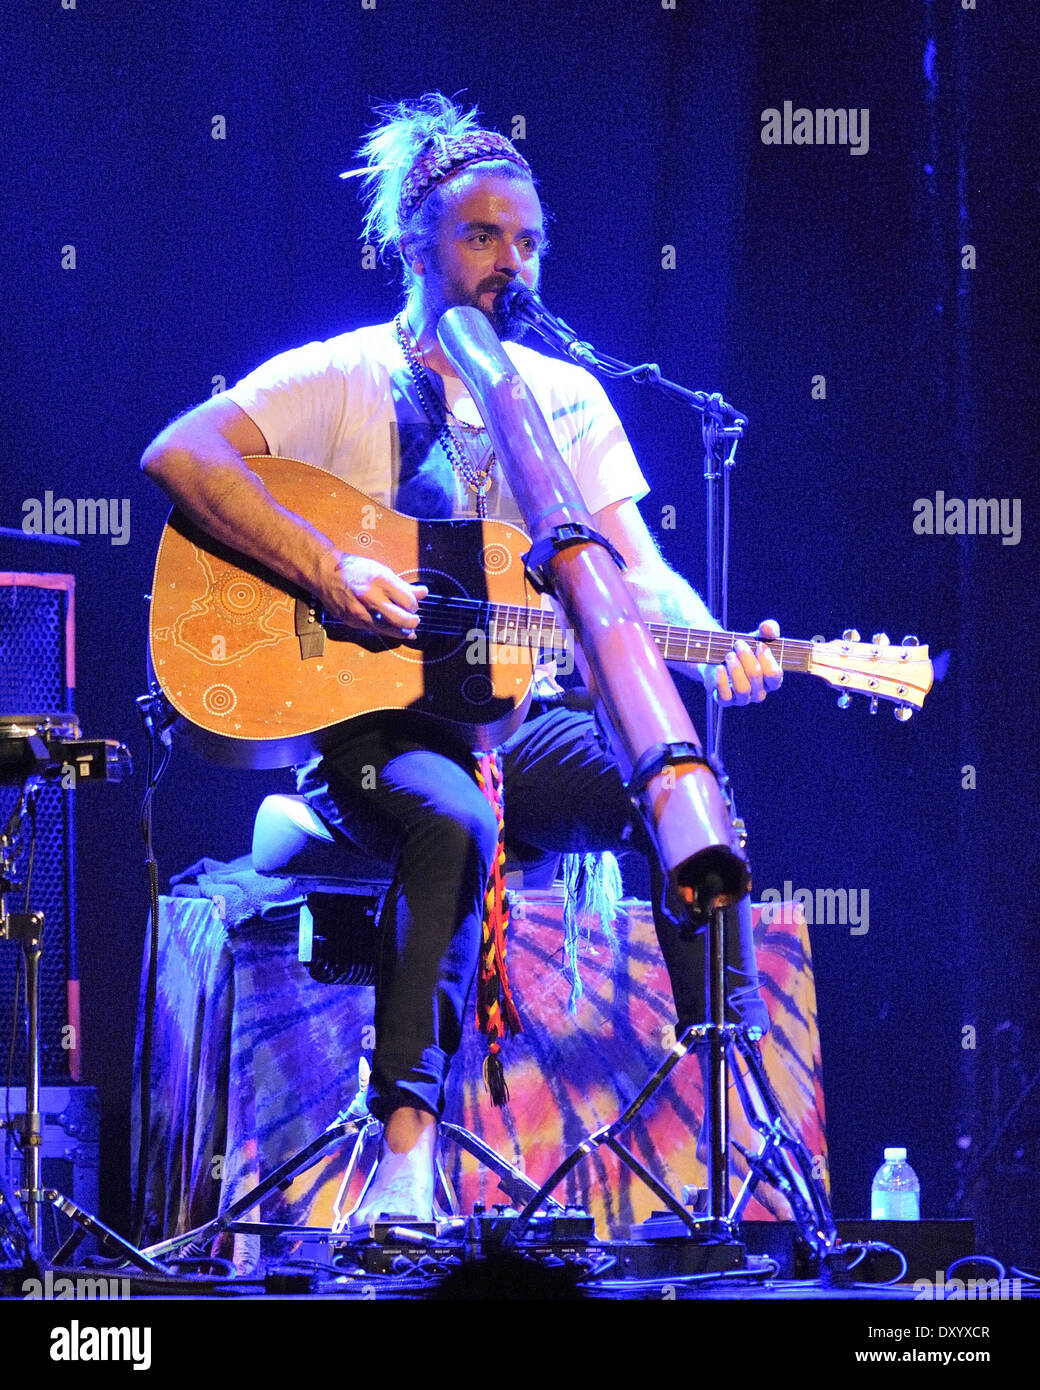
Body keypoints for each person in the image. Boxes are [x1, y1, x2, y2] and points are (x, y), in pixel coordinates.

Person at [141, 94, 783, 1224]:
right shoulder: (338, 374)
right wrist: (330, 572)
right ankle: (401, 1160)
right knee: (454, 820)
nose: (509, 260)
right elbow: (179, 454)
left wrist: (711, 640)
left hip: (514, 723)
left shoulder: (565, 401)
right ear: (413, 241)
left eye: (526, 239)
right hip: (368, 724)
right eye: (481, 235)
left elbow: (634, 574)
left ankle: (722, 1088)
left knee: (683, 788)